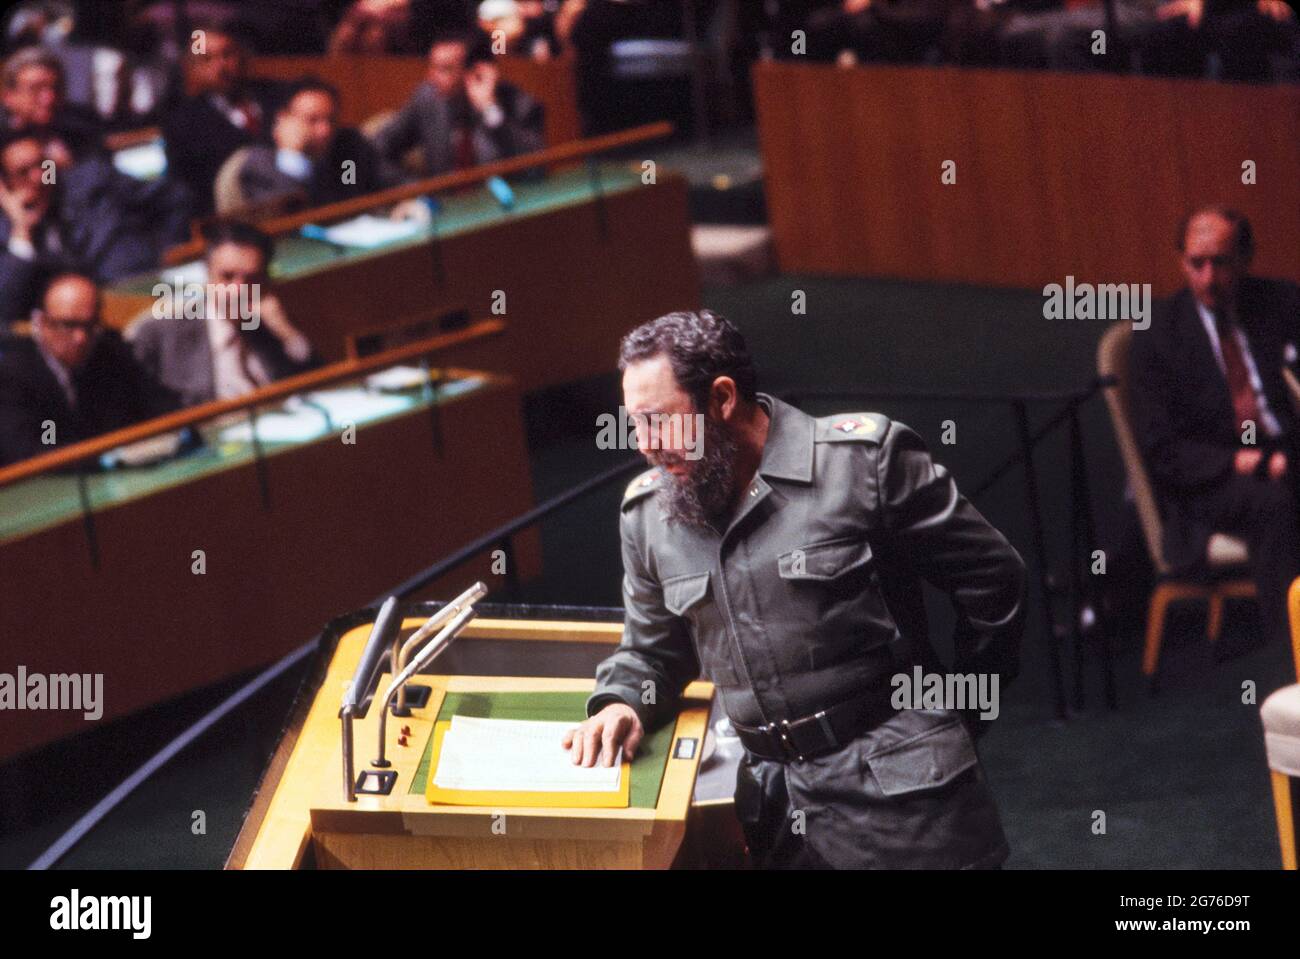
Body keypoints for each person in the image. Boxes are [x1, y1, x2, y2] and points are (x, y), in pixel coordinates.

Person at [562, 310, 1027, 868]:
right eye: (635, 424)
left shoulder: (862, 465)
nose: (646, 445)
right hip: (777, 810)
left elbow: (994, 579)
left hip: (904, 804)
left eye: (659, 421)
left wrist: (956, 716)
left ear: (722, 398)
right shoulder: (649, 515)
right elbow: (653, 649)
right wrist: (623, 701)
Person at [1128, 207, 1300, 650]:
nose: (1207, 278)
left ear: (1244, 259)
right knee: (1274, 505)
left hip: (1284, 449)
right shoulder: (1158, 334)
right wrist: (1247, 461)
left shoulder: (1281, 304)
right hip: (1210, 476)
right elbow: (1161, 449)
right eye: (1195, 263)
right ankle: (1296, 657)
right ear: (1181, 260)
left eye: (1220, 263)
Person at [0, 130, 185, 327]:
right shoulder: (8, 230)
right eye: (23, 172)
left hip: (138, 293)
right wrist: (22, 231)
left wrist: (167, 249)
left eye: (42, 165)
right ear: (5, 183)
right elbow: (7, 306)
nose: (38, 177)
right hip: (75, 327)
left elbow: (175, 197)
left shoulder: (92, 181)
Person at [129, 220, 319, 407]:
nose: (238, 291)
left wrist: (287, 333)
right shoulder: (163, 335)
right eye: (227, 277)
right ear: (208, 276)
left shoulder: (271, 326)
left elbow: (316, 386)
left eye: (252, 279)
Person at [0, 273, 179, 466]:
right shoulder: (12, 374)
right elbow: (32, 450)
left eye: (89, 325)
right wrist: (110, 459)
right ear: (42, 323)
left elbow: (165, 410)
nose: (80, 338)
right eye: (68, 325)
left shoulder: (112, 354)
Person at [372, 31, 545, 177]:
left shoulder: (519, 104)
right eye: (433, 67)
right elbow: (373, 151)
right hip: (445, 210)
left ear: (477, 72)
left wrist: (490, 111)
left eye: (445, 69)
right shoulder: (427, 100)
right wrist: (415, 190)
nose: (431, 77)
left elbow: (535, 168)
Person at [161, 22, 281, 215]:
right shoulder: (183, 125)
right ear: (192, 68)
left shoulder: (276, 96)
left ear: (241, 56)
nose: (221, 66)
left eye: (227, 55)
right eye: (207, 59)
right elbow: (186, 193)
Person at [237, 77, 396, 210]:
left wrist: (406, 203)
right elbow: (294, 213)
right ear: (283, 118)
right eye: (312, 120)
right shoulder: (259, 165)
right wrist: (293, 156)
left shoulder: (348, 146)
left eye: (331, 119)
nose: (325, 130)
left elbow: (389, 181)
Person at [1, 46, 104, 164]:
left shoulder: (80, 131)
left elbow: (102, 175)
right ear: (8, 96)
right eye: (35, 89)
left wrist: (63, 169)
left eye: (56, 88)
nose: (49, 99)